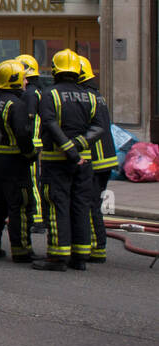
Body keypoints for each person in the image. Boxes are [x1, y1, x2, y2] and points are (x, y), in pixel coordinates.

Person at [35, 49, 105, 271]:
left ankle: (57, 256)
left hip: (56, 161)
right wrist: (80, 147)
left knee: (57, 205)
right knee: (81, 205)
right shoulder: (92, 96)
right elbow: (99, 127)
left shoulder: (50, 94)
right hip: (84, 163)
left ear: (55, 70)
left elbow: (49, 123)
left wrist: (68, 148)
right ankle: (80, 255)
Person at [0, 60, 40, 264]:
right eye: (23, 77)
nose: (26, 81)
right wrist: (31, 154)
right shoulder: (17, 104)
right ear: (14, 79)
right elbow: (23, 134)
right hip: (15, 162)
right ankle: (21, 249)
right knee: (21, 206)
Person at [77, 55, 113, 264]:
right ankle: (96, 246)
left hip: (96, 159)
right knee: (94, 203)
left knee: (89, 204)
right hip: (104, 159)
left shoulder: (85, 97)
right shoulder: (95, 95)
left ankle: (96, 247)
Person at [18, 54, 49, 234]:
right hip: (38, 142)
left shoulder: (30, 94)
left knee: (32, 181)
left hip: (34, 142)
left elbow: (28, 120)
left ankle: (37, 219)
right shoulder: (37, 90)